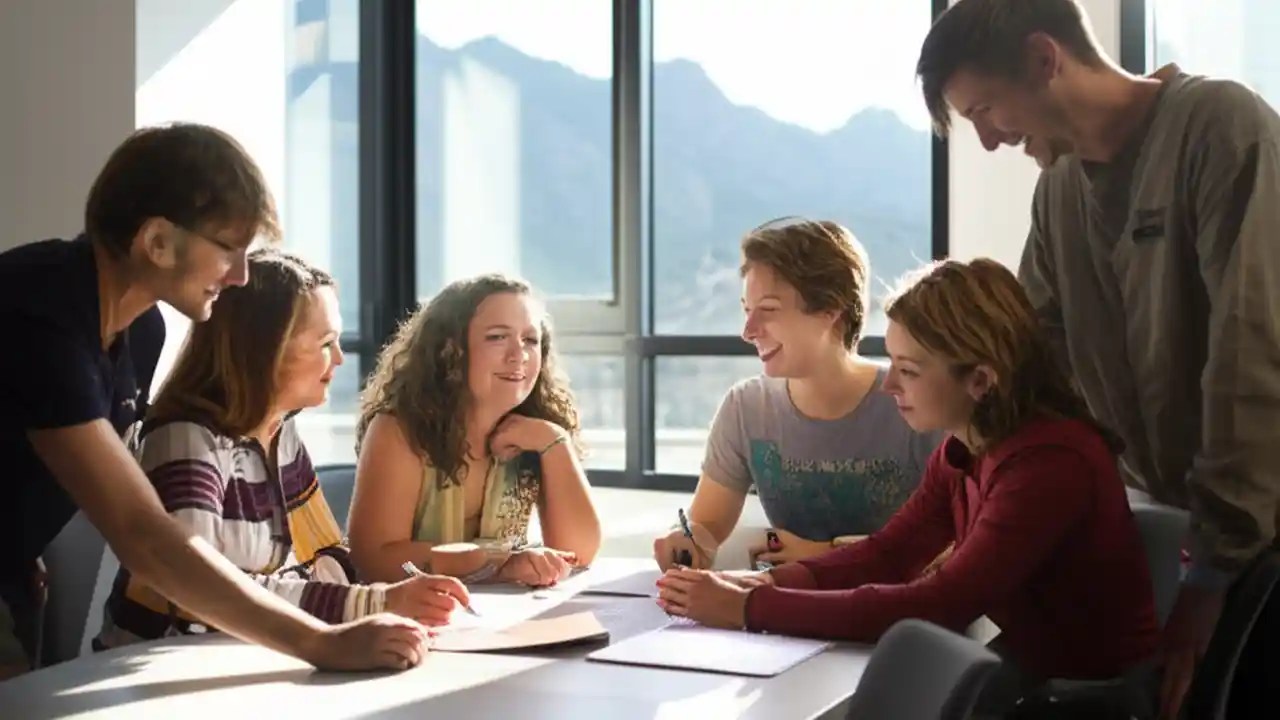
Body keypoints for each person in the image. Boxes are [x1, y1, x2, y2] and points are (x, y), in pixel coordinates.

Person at [916, 1, 1280, 715]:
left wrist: (1210, 580)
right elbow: (1030, 366)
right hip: (1184, 528)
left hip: (1259, 534)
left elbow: (1251, 365)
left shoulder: (1219, 129)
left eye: (987, 109)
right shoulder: (1057, 194)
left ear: (1045, 60)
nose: (990, 142)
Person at [0, 123, 428, 675]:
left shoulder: (144, 329)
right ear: (156, 242)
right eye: (229, 248)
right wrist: (322, 643)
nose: (242, 276)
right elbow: (145, 534)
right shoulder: (42, 319)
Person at [656, 259, 1160, 715]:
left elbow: (939, 604)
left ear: (980, 382)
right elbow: (891, 553)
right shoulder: (967, 444)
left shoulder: (1048, 464)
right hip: (1035, 669)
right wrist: (767, 583)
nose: (890, 385)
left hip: (1087, 700)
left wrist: (748, 608)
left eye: (909, 371)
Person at [96, 250, 470, 648]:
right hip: (161, 673)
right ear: (265, 350)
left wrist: (391, 600)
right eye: (326, 343)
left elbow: (321, 561)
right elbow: (198, 594)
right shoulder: (186, 438)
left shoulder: (280, 433)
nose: (340, 358)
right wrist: (375, 602)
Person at [653, 218, 941, 572]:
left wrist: (826, 554)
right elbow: (707, 526)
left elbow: (955, 547)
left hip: (895, 618)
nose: (748, 331)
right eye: (746, 310)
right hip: (787, 611)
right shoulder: (747, 408)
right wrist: (688, 540)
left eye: (769, 311)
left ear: (829, 311)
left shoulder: (911, 403)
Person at [348, 274, 601, 587]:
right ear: (450, 350)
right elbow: (375, 560)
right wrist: (498, 564)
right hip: (412, 622)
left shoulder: (538, 435)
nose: (518, 355)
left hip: (497, 624)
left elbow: (576, 553)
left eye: (530, 340)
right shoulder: (399, 430)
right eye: (497, 337)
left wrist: (555, 443)